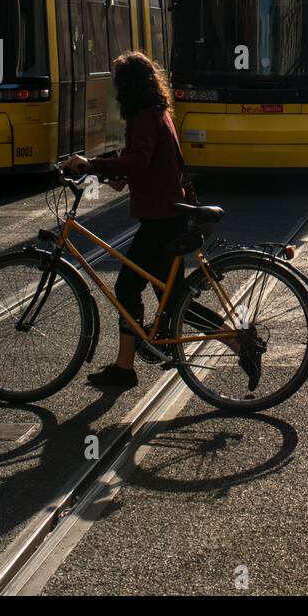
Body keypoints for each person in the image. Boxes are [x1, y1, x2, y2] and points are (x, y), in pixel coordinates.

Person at [64, 52, 238, 389]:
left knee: (170, 301)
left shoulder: (144, 117)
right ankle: (124, 366)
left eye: (118, 85)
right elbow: (147, 162)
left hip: (163, 218)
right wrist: (117, 173)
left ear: (127, 87)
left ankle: (233, 339)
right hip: (164, 214)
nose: (115, 92)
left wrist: (91, 164)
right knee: (140, 290)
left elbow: (140, 160)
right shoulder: (157, 113)